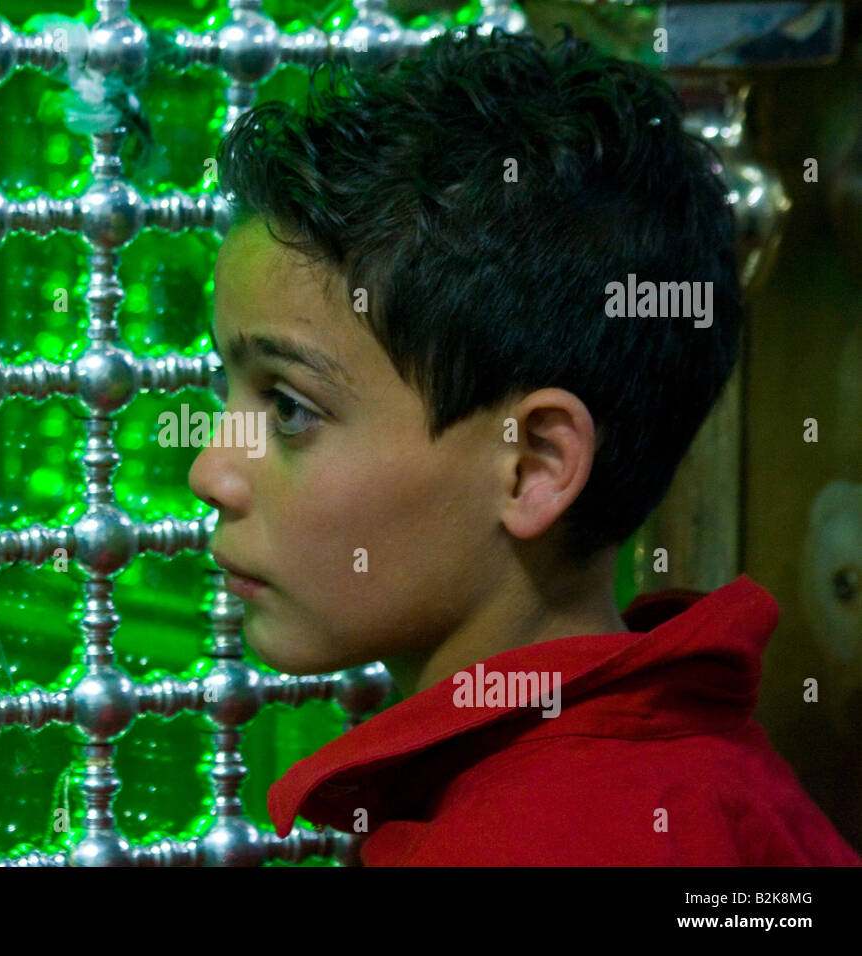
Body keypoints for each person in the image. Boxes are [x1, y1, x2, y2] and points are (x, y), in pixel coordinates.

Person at [187, 25, 860, 865]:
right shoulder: (684, 778)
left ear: (534, 466)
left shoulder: (557, 837)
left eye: (288, 409)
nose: (210, 469)